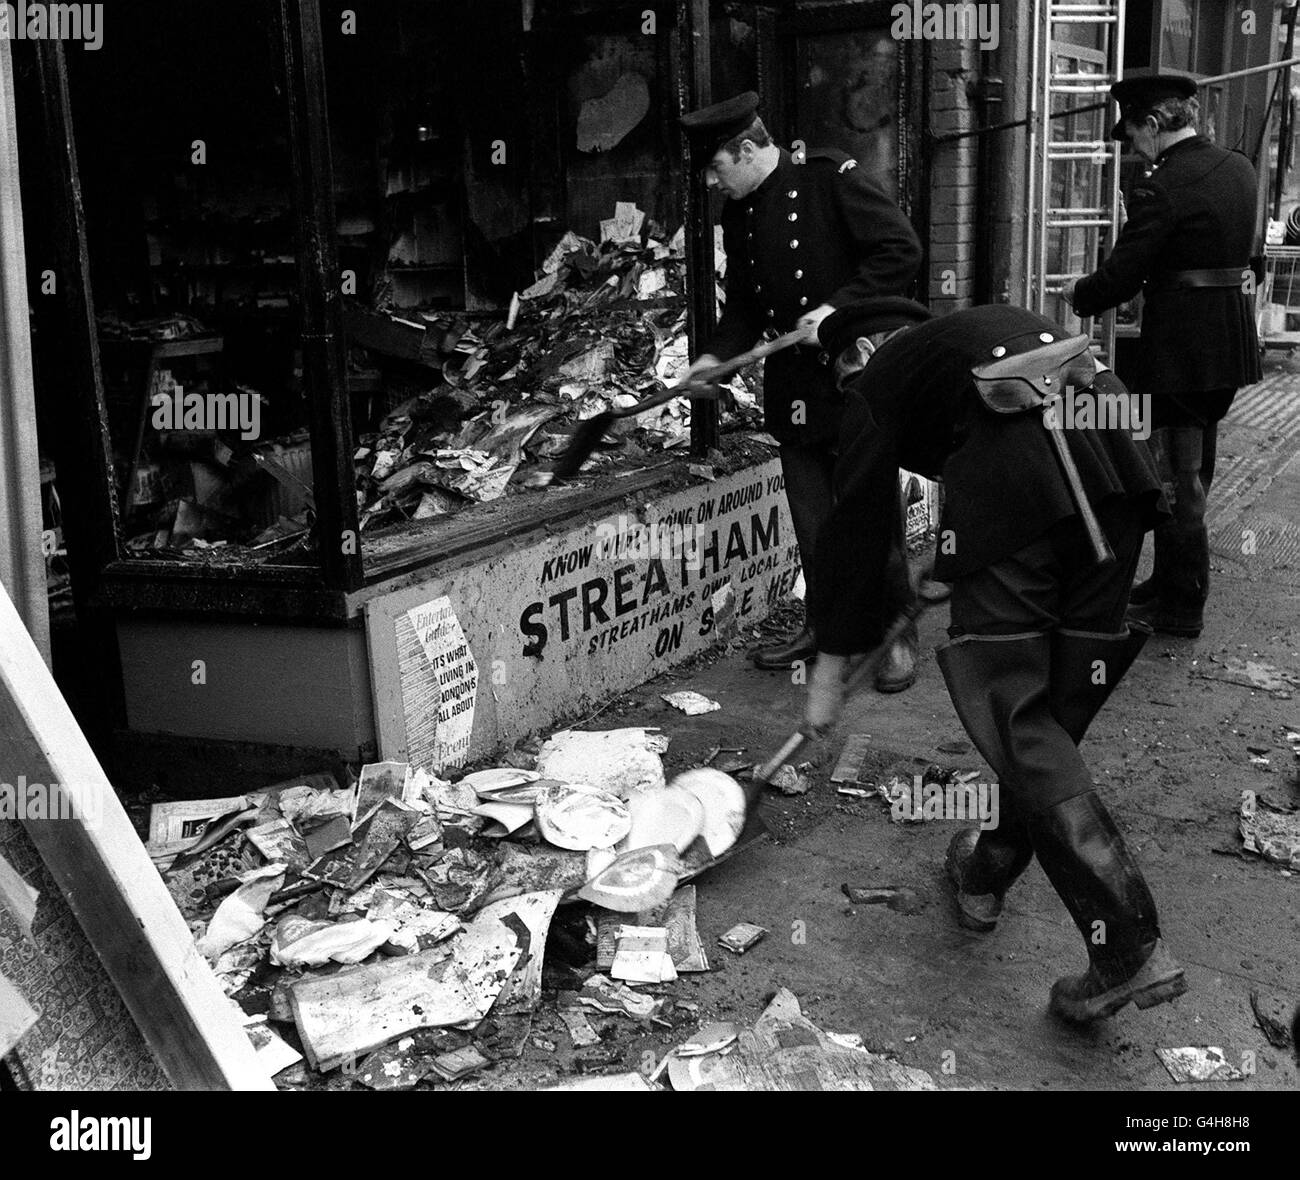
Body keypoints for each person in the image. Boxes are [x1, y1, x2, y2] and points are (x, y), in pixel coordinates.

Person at [803, 297, 1187, 1024]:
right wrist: (956, 553)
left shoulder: (877, 381)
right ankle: (989, 868)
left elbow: (851, 526)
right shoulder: (976, 329)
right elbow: (987, 432)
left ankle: (1129, 944)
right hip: (1116, 479)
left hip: (1029, 498)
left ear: (855, 356)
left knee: (1018, 718)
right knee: (1050, 721)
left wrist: (828, 666)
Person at [678, 91, 923, 689]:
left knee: (868, 518)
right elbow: (743, 303)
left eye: (717, 167)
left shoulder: (828, 178)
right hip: (792, 386)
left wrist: (836, 309)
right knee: (812, 523)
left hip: (853, 378)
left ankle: (895, 638)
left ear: (747, 147)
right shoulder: (738, 215)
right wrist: (716, 358)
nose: (712, 182)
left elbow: (901, 251)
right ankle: (826, 628)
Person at [1062, 69, 1261, 639]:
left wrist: (1079, 293)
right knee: (1194, 466)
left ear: (1153, 124)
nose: (1130, 142)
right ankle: (1170, 581)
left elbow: (1126, 274)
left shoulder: (1160, 184)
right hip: (1226, 344)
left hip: (1181, 349)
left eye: (1131, 131)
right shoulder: (1238, 168)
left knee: (1176, 478)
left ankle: (1180, 607)